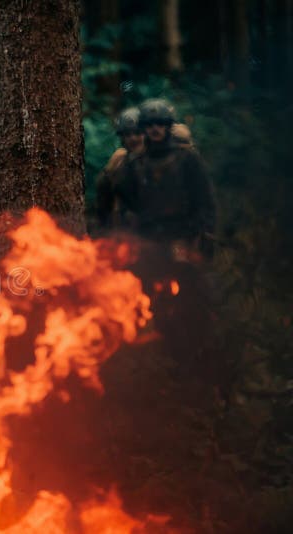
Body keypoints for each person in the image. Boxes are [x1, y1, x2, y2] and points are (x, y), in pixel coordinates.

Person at [117, 98, 216, 368]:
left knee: (193, 296)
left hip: (183, 237)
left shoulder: (187, 160)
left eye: (161, 123)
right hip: (150, 242)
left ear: (168, 126)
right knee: (151, 301)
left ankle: (200, 353)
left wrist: (202, 233)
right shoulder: (135, 165)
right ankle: (159, 357)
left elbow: (204, 200)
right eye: (150, 124)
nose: (155, 129)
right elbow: (125, 205)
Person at [95, 107, 145, 229]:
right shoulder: (119, 161)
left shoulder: (158, 160)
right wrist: (108, 172)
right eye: (128, 134)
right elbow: (104, 199)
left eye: (137, 133)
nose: (133, 138)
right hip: (123, 230)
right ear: (122, 138)